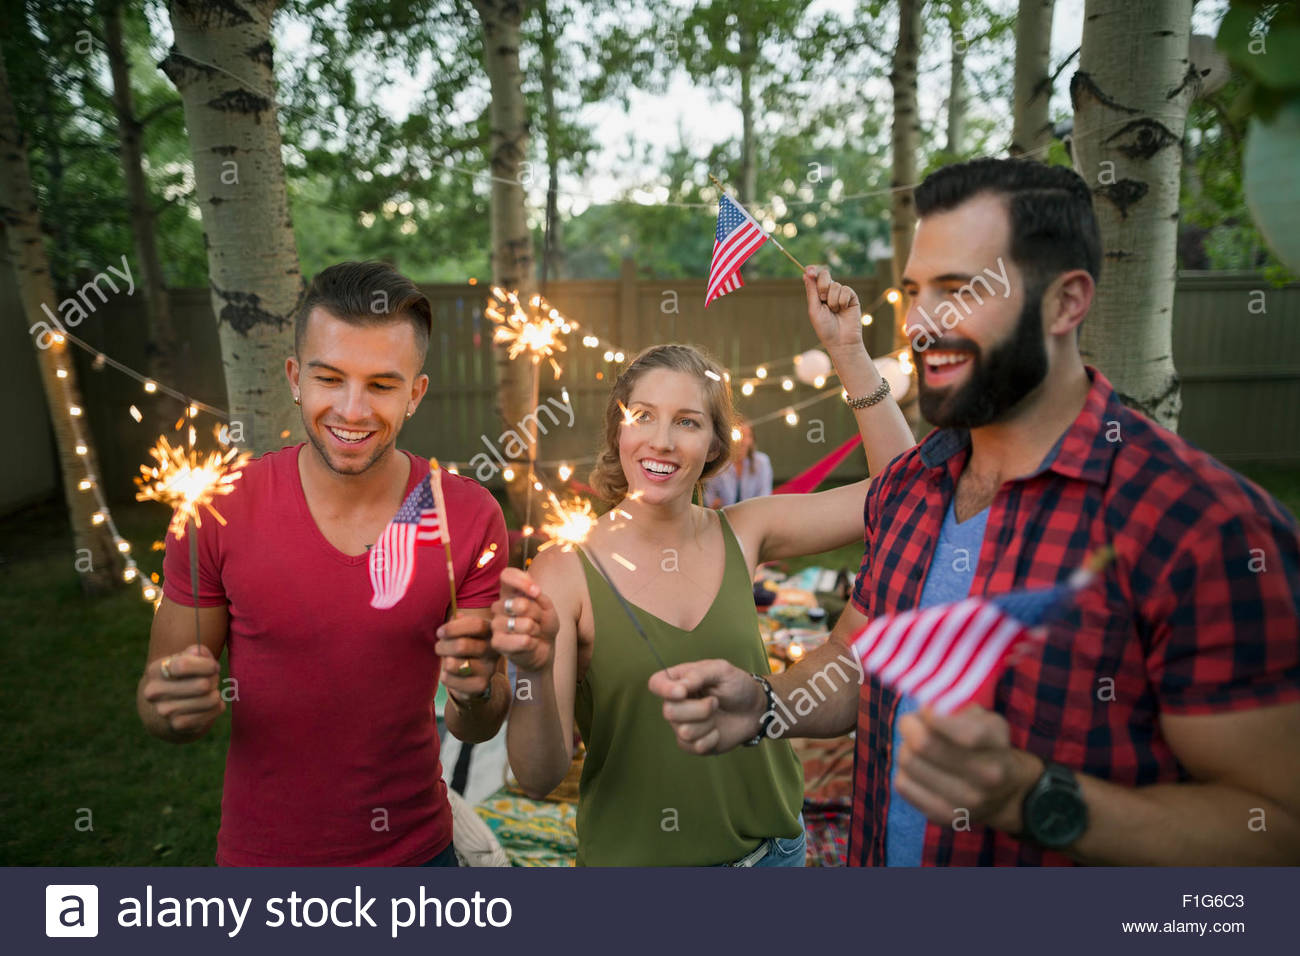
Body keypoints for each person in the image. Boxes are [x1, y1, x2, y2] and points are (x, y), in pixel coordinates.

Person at [651, 157, 1300, 866]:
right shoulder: (909, 488)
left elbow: (1276, 824)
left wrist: (1031, 799)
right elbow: (853, 663)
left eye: (959, 291)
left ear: (1065, 303)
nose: (921, 323)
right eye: (913, 292)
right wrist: (765, 706)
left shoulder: (1202, 528)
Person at [489, 268, 916, 865]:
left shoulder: (745, 530)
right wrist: (529, 673)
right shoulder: (564, 571)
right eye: (643, 415)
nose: (661, 440)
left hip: (774, 860)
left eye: (687, 421)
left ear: (717, 444)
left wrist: (848, 353)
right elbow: (537, 777)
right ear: (618, 428)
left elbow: (903, 496)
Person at [135, 261, 510, 866]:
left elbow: (478, 722)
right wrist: (174, 707)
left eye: (382, 385)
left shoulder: (468, 515)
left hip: (420, 857)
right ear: (295, 378)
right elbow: (162, 706)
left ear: (415, 393)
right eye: (330, 378)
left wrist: (472, 693)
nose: (353, 410)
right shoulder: (216, 509)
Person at [704, 419, 772, 507]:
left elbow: (764, 497)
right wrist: (714, 504)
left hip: (753, 516)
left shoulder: (761, 462)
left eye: (745, 435)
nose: (740, 440)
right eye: (736, 435)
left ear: (751, 439)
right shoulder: (719, 463)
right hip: (724, 517)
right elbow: (710, 495)